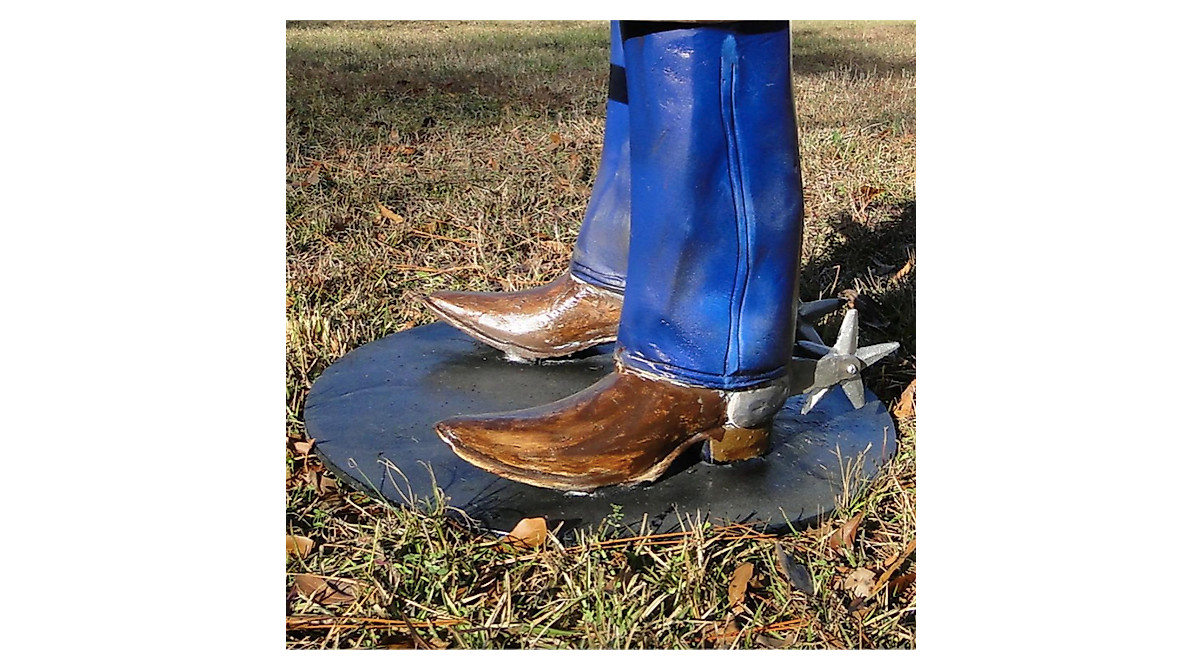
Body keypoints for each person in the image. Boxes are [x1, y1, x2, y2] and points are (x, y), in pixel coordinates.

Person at [427, 21, 807, 492]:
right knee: (645, 37)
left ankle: (707, 364)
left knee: (704, 25)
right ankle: (617, 282)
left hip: (713, 349)